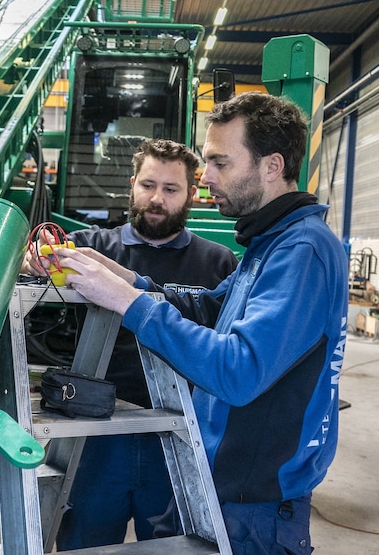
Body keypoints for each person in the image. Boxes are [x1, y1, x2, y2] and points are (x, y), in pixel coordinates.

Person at [57, 92, 348, 555]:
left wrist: (128, 302)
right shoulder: (268, 243)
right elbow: (211, 308)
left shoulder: (302, 250)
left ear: (272, 166)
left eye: (219, 163)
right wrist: (127, 278)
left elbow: (238, 370)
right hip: (221, 484)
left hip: (254, 505)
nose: (205, 177)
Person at [24, 139, 238, 550]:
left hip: (177, 433)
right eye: (148, 185)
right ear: (132, 184)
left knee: (171, 544)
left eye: (171, 189)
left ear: (192, 193)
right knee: (83, 540)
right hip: (93, 432)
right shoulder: (93, 248)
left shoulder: (218, 263)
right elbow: (28, 263)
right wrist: (33, 258)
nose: (157, 199)